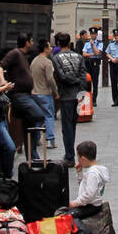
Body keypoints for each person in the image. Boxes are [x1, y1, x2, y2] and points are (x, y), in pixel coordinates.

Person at [0, 34, 47, 155]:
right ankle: (34, 143)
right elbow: (1, 65)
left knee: (29, 126)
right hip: (20, 96)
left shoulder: (23, 56)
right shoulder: (15, 53)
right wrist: (3, 81)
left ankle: (32, 158)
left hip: (27, 94)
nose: (33, 43)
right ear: (26, 43)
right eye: (31, 41)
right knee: (39, 116)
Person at [52, 32, 88, 166]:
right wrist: (82, 91)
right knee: (72, 125)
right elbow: (84, 75)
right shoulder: (78, 56)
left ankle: (69, 156)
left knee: (67, 127)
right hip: (78, 94)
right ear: (69, 43)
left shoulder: (56, 58)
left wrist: (73, 81)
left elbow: (62, 76)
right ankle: (70, 154)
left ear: (58, 44)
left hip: (66, 95)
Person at [31, 38, 59, 148]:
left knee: (38, 117)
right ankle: (50, 140)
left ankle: (36, 138)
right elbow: (50, 79)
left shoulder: (34, 61)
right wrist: (56, 91)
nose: (51, 48)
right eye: (49, 46)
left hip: (34, 93)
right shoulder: (47, 62)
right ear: (45, 49)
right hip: (45, 93)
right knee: (49, 116)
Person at [82, 27, 102, 106]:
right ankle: (87, 99)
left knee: (95, 82)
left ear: (96, 35)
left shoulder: (100, 43)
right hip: (88, 63)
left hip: (95, 63)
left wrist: (93, 45)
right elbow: (84, 54)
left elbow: (97, 53)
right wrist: (92, 54)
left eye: (94, 34)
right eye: (91, 34)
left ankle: (94, 100)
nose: (93, 35)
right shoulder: (87, 43)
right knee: (87, 81)